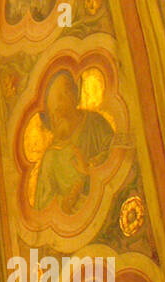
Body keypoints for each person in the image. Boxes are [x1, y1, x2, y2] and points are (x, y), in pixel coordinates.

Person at [34, 70, 114, 213]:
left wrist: (91, 167)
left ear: (74, 94)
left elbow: (114, 150)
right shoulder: (50, 158)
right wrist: (68, 198)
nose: (59, 108)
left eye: (65, 93)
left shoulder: (94, 123)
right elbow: (43, 204)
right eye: (54, 107)